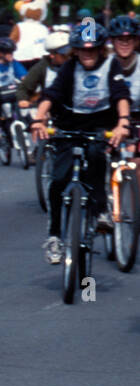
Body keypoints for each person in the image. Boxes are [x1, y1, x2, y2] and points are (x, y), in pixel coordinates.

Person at [31, 21, 130, 262]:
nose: (87, 55)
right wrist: (39, 118)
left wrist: (123, 123)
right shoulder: (69, 67)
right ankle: (55, 237)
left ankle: (101, 211)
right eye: (83, 50)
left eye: (92, 50)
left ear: (100, 50)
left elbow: (121, 95)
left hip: (99, 127)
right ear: (75, 51)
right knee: (58, 180)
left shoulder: (110, 64)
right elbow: (52, 94)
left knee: (97, 158)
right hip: (69, 126)